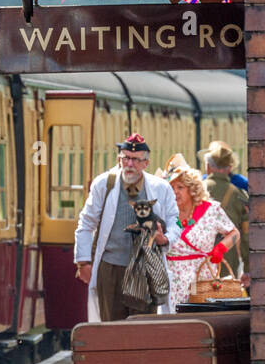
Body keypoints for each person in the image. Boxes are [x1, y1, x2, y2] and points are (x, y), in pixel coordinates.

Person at [73, 133, 180, 322]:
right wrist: (83, 262)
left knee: (143, 328)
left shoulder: (161, 187)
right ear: (119, 159)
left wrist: (166, 238)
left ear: (146, 163)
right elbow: (86, 223)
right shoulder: (104, 184)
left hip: (146, 269)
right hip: (111, 268)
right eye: (126, 158)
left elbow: (175, 221)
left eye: (136, 160)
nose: (129, 164)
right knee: (111, 327)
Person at [163, 162, 242, 313]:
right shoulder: (165, 213)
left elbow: (234, 233)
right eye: (171, 188)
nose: (175, 192)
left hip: (203, 281)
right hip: (173, 283)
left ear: (192, 189)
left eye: (180, 187)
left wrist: (221, 248)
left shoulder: (211, 210)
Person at [199, 140, 249, 278]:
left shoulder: (196, 190)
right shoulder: (239, 194)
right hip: (227, 257)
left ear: (208, 166)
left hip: (197, 255)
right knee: (225, 294)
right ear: (229, 168)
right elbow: (246, 235)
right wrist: (248, 268)